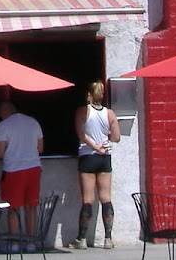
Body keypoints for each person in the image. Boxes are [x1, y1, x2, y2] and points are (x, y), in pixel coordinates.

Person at [67, 80, 121, 250]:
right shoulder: (110, 113)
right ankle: (108, 238)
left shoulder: (83, 111)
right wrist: (103, 143)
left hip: (87, 157)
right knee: (106, 198)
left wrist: (94, 146)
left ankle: (81, 239)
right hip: (104, 158)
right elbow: (116, 137)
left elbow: (81, 135)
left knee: (88, 199)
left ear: (88, 94)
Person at [0, 101, 43, 250]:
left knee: (13, 207)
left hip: (14, 170)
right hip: (34, 168)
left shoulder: (3, 126)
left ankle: (14, 244)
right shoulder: (33, 122)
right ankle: (31, 243)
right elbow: (40, 148)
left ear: (4, 111)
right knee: (31, 206)